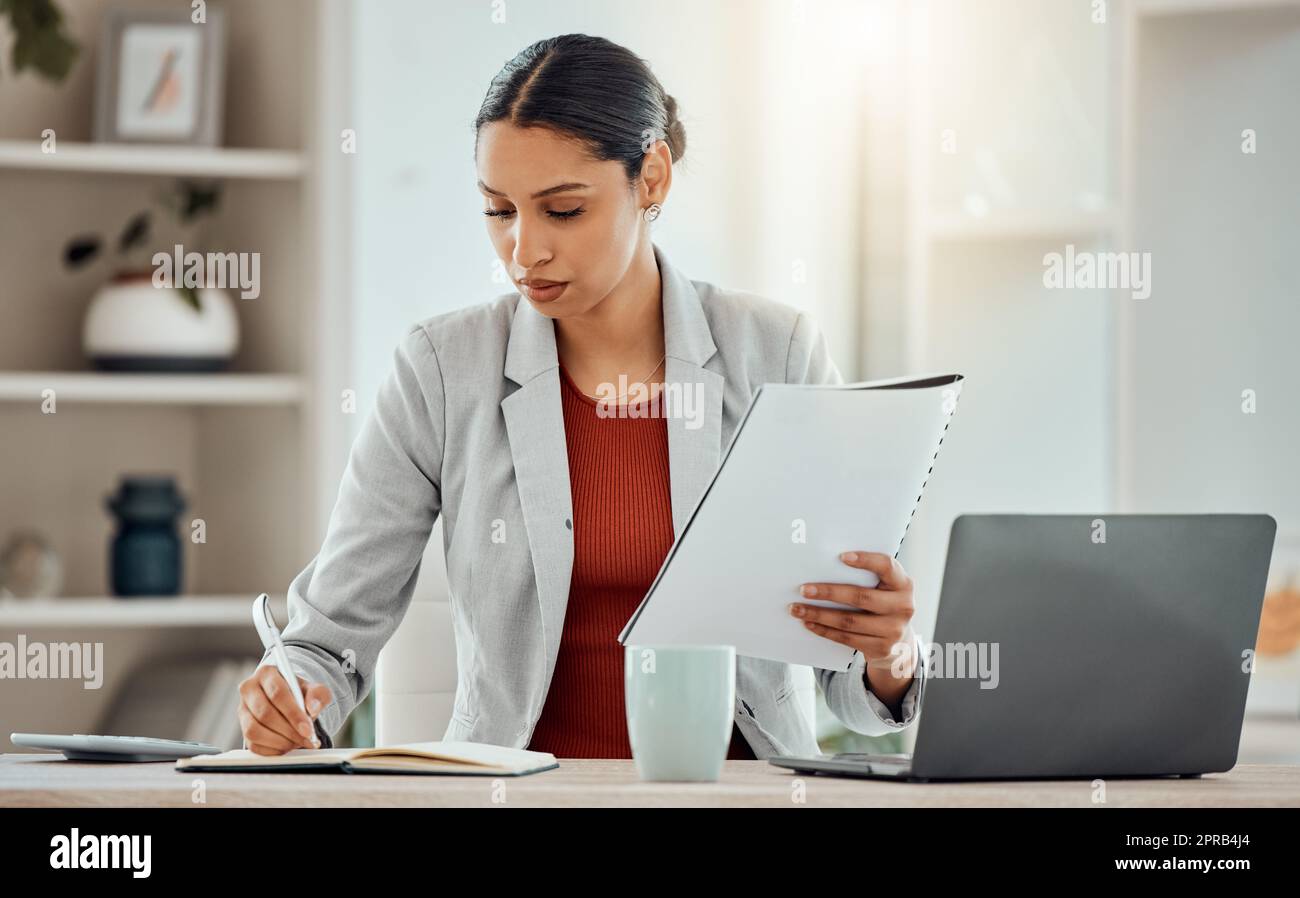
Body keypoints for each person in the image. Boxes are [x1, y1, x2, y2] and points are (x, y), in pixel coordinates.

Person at [237, 33, 923, 759]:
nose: (523, 251)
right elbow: (325, 645)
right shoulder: (440, 370)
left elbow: (863, 697)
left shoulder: (777, 354)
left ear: (651, 177)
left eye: (562, 211)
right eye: (499, 211)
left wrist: (890, 654)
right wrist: (290, 696)